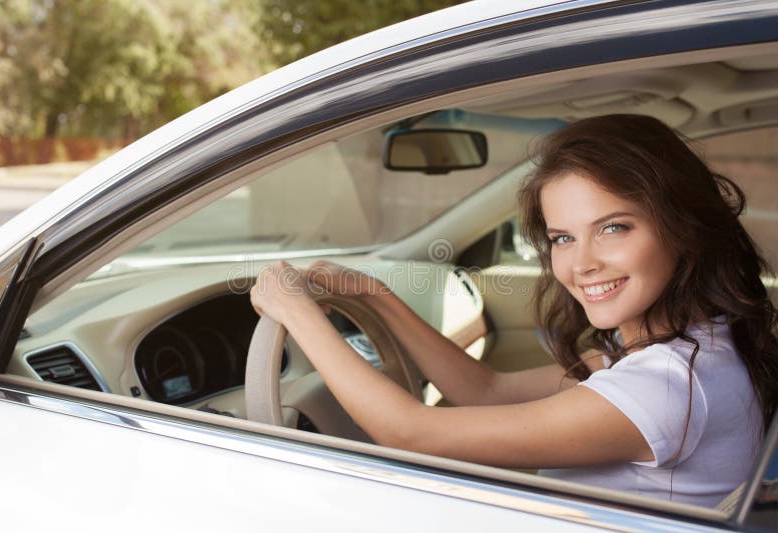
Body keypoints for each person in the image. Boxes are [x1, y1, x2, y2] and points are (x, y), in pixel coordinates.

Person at [250, 114, 778, 508]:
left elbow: (411, 434)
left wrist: (299, 316)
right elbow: (485, 392)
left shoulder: (664, 388)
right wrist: (374, 296)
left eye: (614, 227)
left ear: (681, 227)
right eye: (563, 238)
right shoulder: (692, 341)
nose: (582, 264)